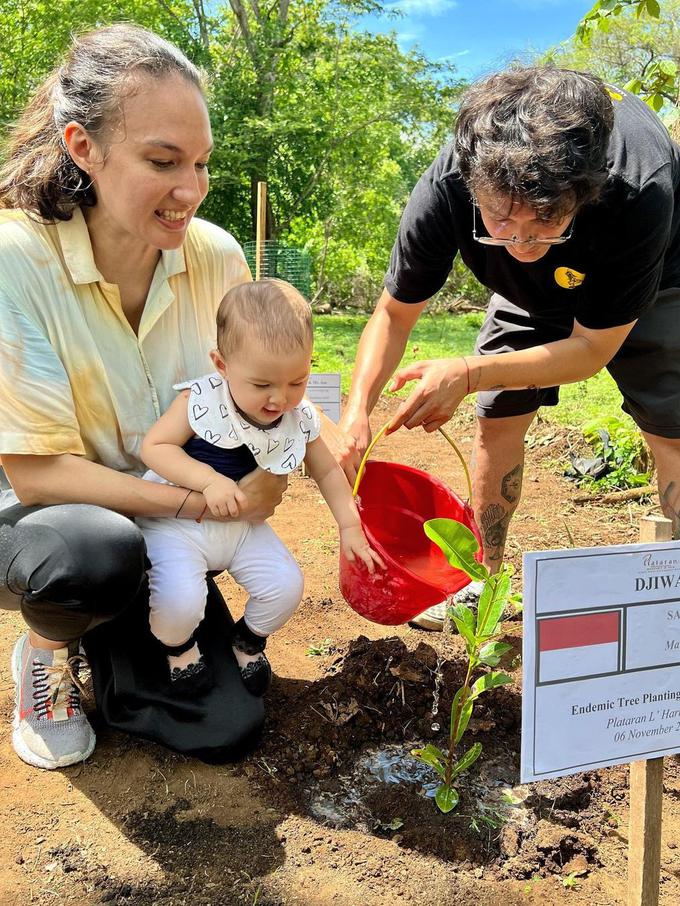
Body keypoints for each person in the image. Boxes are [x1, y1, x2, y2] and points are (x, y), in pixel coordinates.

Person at [0, 24, 288, 770]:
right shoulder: (13, 259)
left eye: (200, 162)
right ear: (82, 146)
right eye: (163, 162)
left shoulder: (216, 257)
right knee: (93, 555)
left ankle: (119, 638)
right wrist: (197, 502)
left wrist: (274, 474)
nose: (189, 189)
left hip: (159, 520)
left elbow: (262, 392)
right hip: (48, 523)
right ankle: (46, 646)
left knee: (225, 726)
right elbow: (36, 473)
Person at [334, 66, 680, 630]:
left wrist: (469, 371)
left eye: (545, 221)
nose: (521, 243)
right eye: (500, 221)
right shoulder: (452, 180)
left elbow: (591, 348)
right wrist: (356, 414)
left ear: (584, 193)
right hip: (528, 295)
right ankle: (483, 584)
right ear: (474, 186)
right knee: (496, 416)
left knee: (671, 429)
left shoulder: (638, 186)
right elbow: (394, 313)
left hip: (656, 280)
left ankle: (674, 587)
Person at [138, 278, 383, 696]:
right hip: (178, 525)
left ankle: (247, 640)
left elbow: (327, 471)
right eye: (262, 384)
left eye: (297, 382)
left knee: (285, 588)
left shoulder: (297, 416)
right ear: (222, 364)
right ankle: (179, 651)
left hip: (242, 526)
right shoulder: (201, 401)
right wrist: (207, 481)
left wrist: (349, 526)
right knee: (178, 604)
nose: (279, 399)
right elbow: (155, 448)